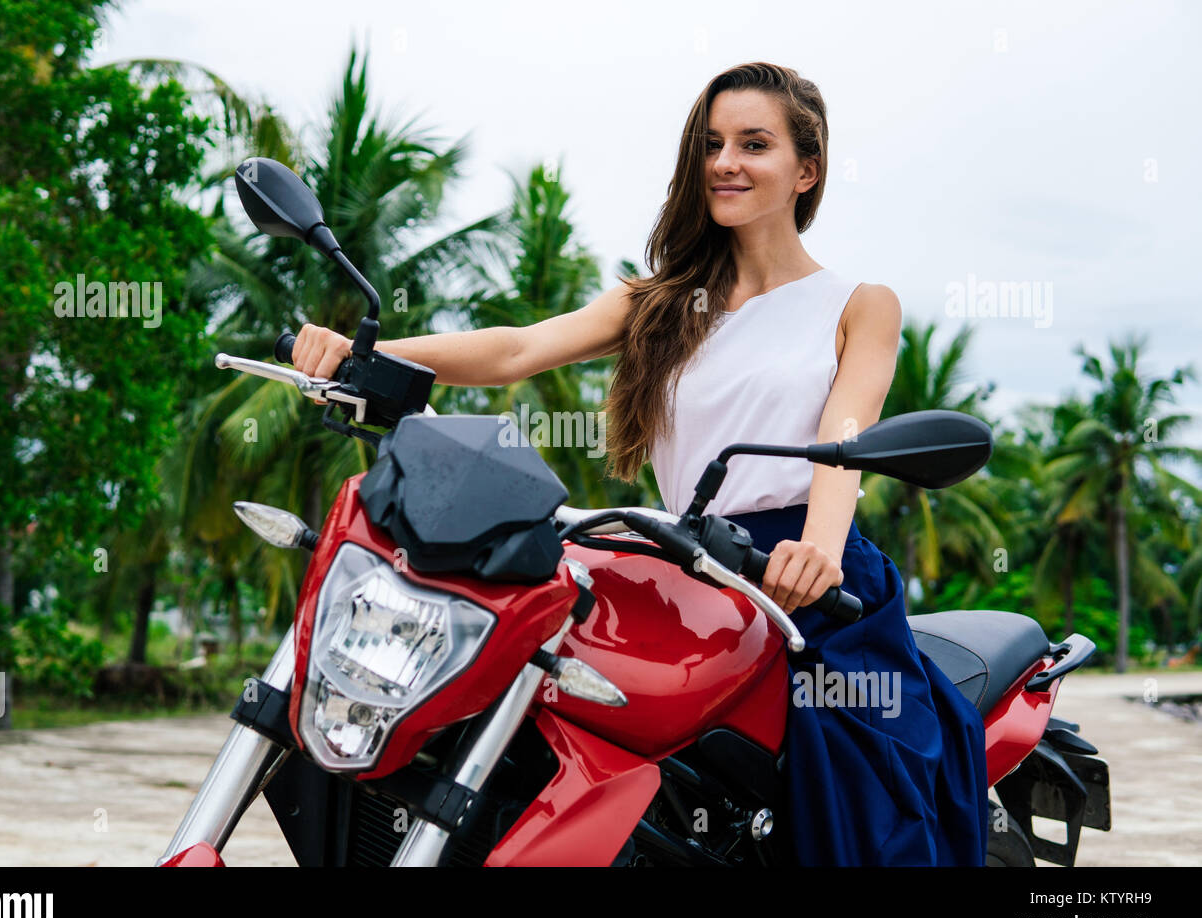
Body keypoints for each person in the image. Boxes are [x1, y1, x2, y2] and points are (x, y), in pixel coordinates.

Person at [289, 61, 989, 866]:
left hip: (805, 576)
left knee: (864, 803)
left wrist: (821, 549)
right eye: (712, 144)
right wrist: (361, 356)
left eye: (753, 144)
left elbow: (849, 426)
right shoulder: (660, 300)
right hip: (683, 562)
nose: (725, 162)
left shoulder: (859, 303)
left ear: (808, 169)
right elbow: (517, 350)